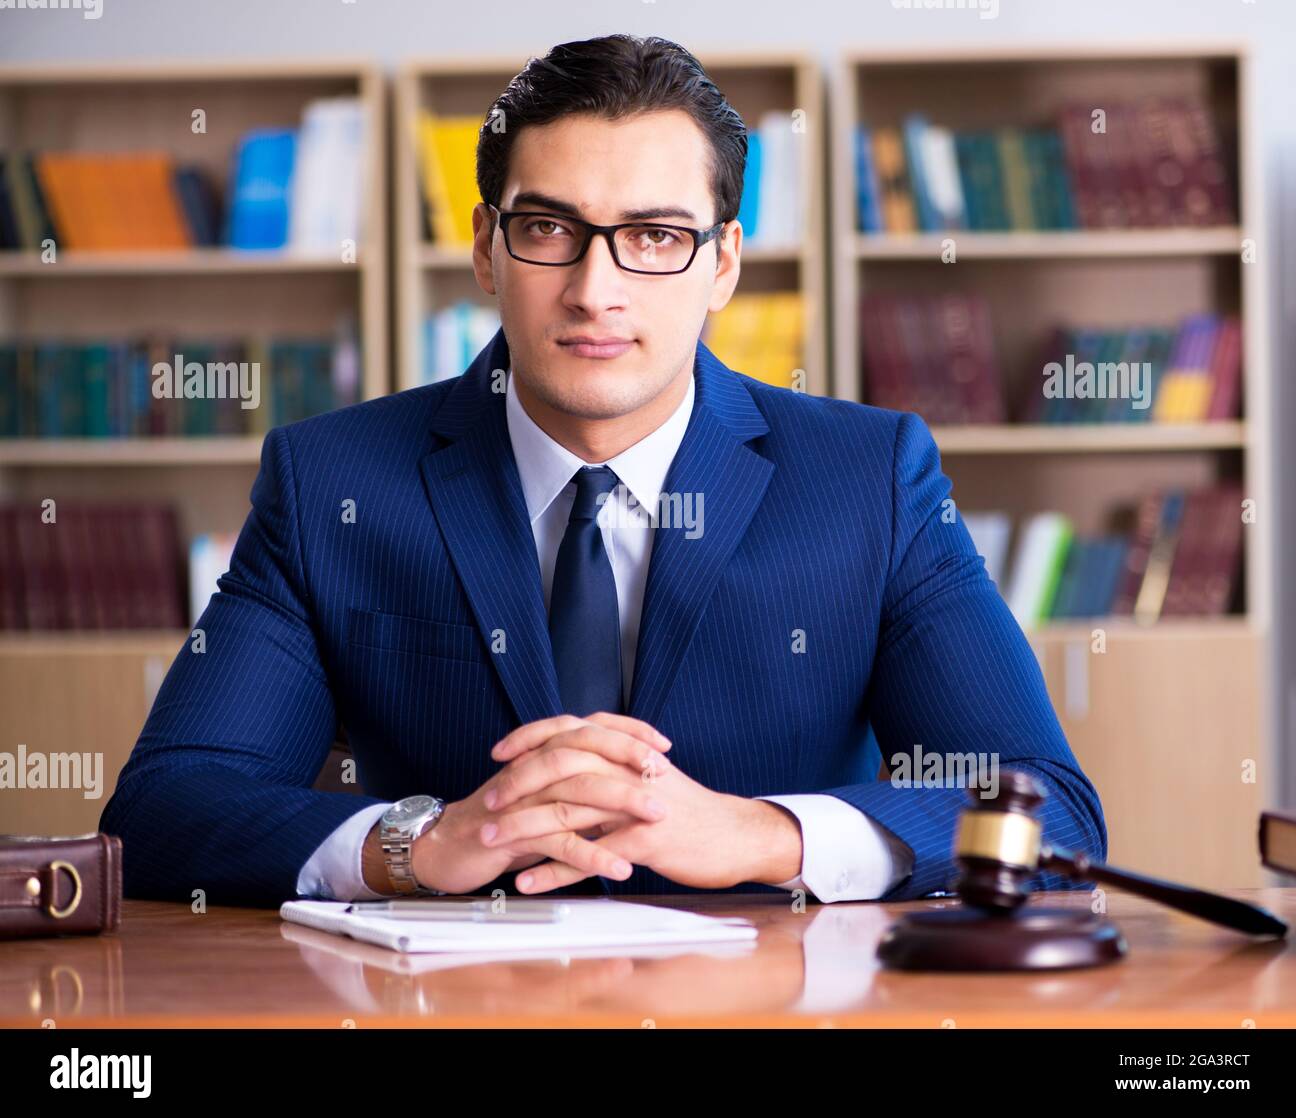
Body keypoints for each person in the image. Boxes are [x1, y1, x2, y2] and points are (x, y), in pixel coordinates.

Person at [100, 34, 1105, 907]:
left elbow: (1048, 805)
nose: (596, 290)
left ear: (722, 264)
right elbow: (164, 806)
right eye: (549, 230)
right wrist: (414, 844)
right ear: (488, 249)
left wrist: (760, 835)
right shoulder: (333, 483)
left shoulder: (867, 478)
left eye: (655, 236)